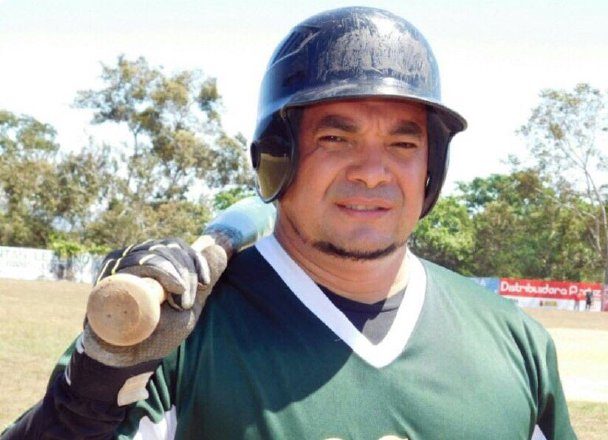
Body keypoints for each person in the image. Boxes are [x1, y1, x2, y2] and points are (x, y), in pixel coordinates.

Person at [2, 7, 577, 440]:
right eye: (336, 138)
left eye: (403, 144)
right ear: (278, 156)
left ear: (433, 165)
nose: (372, 172)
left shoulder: (515, 342)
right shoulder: (181, 337)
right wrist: (90, 397)